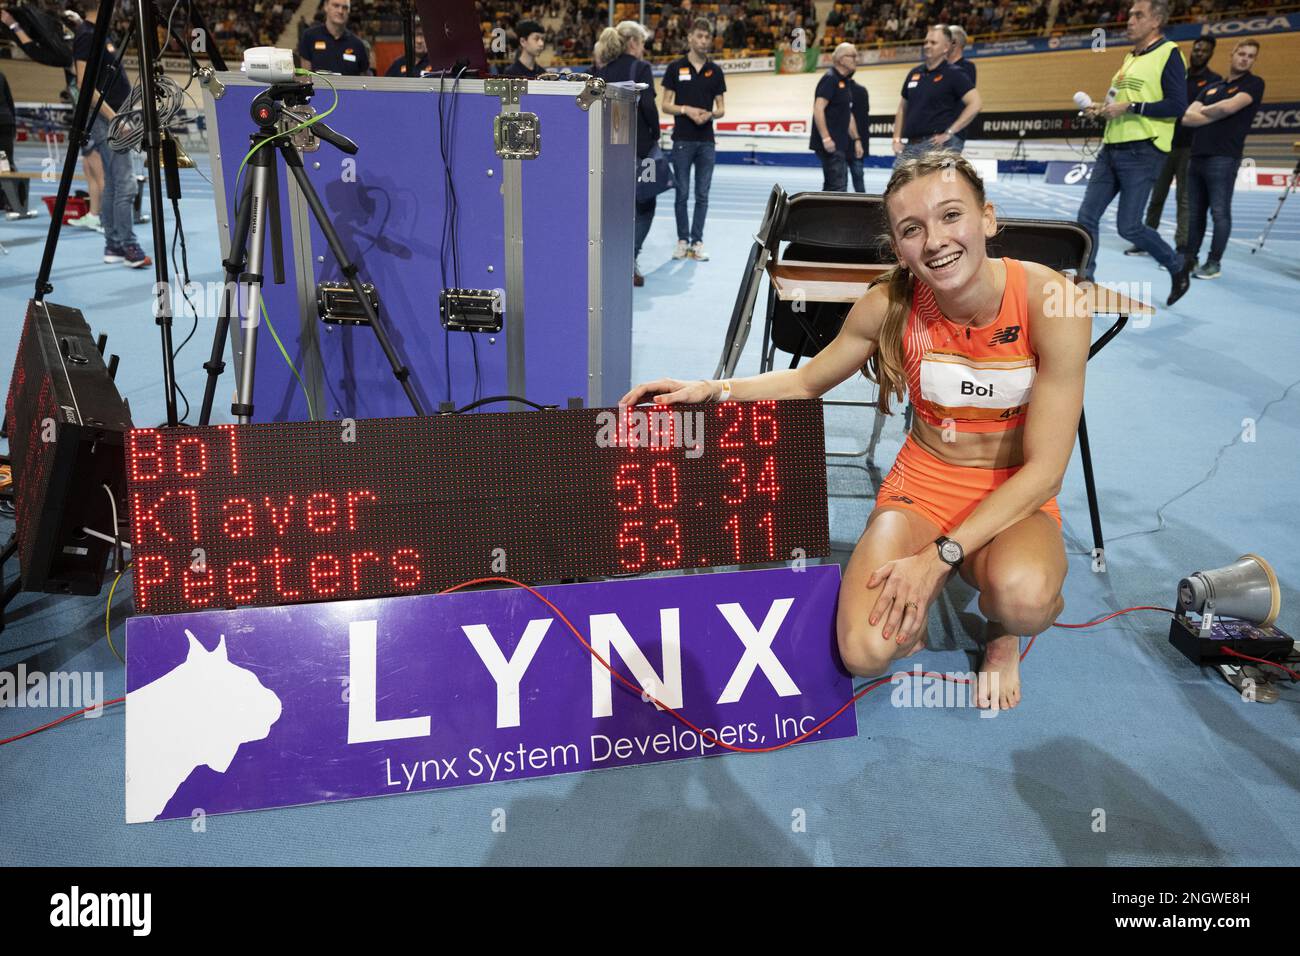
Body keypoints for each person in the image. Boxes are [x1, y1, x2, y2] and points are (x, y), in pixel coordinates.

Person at [621, 151, 1090, 710]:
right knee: (863, 653)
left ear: (987, 218)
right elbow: (803, 383)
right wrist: (711, 388)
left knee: (1024, 599)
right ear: (898, 248)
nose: (935, 240)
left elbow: (1046, 473)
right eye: (912, 229)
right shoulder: (889, 305)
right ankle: (933, 580)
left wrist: (934, 559)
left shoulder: (1053, 303)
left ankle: (1001, 634)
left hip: (1015, 491)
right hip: (925, 488)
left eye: (951, 216)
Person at [1076, 0, 1190, 305]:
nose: (1129, 21)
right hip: (1112, 147)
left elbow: (1178, 105)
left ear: (1156, 21)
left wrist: (1130, 107)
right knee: (1086, 217)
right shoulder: (1129, 58)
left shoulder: (1170, 54)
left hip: (1143, 151)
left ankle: (1177, 265)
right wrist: (1100, 111)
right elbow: (1118, 102)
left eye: (1137, 15)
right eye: (1129, 15)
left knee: (1129, 226)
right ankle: (1085, 280)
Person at [1125, 36, 1218, 260]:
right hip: (1165, 143)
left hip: (1190, 147)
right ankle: (1145, 240)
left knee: (1183, 199)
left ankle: (1181, 245)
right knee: (1156, 195)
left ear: (1210, 54)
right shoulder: (1179, 74)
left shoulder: (1214, 82)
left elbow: (1207, 115)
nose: (1199, 53)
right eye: (1196, 49)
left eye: (1204, 51)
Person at [71, 0, 149, 267]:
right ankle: (129, 246)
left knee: (115, 184)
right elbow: (83, 84)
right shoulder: (86, 35)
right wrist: (114, 118)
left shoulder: (100, 34)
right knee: (125, 184)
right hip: (107, 120)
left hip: (114, 117)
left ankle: (114, 245)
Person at [1179, 39, 1265, 281]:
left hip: (1224, 158)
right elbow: (1186, 117)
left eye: (1251, 56)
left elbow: (1230, 107)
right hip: (1197, 156)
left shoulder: (1254, 84)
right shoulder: (1211, 88)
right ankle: (1189, 258)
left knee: (1219, 213)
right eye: (1242, 54)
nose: (1245, 59)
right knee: (1195, 214)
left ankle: (1213, 263)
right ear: (1232, 54)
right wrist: (1216, 112)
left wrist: (1207, 111)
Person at [593, 21, 659, 287]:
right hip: (640, 150)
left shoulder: (604, 70)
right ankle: (629, 258)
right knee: (645, 205)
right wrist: (655, 133)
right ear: (632, 42)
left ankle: (611, 259)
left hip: (610, 152)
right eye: (642, 43)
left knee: (615, 207)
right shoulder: (641, 68)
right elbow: (650, 107)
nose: (643, 49)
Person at [661, 18, 726, 262]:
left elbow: (722, 109)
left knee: (702, 194)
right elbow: (665, 105)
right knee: (682, 193)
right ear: (690, 38)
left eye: (707, 37)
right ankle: (682, 240)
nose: (704, 41)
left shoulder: (716, 71)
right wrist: (686, 110)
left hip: (707, 140)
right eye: (699, 36)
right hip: (682, 140)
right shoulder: (675, 68)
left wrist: (710, 114)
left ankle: (697, 242)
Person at [891, 25, 980, 161]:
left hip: (939, 146)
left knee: (943, 182)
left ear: (946, 47)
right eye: (926, 42)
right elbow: (902, 107)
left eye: (933, 42)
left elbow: (976, 103)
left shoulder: (955, 73)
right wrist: (896, 139)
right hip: (910, 146)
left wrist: (950, 132)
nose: (927, 46)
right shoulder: (914, 73)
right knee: (898, 182)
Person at [809, 42, 862, 192]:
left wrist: (857, 140)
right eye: (852, 55)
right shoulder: (830, 79)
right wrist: (826, 138)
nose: (856, 59)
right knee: (838, 188)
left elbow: (848, 113)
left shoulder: (844, 82)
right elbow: (818, 108)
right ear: (841, 59)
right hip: (831, 145)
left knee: (833, 187)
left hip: (839, 144)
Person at [298, 0, 371, 76]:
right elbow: (305, 76)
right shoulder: (309, 36)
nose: (340, 11)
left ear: (349, 11)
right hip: (317, 87)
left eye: (345, 7)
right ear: (326, 6)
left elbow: (364, 80)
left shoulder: (358, 44)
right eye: (336, 6)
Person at [849, 69, 871, 193]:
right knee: (858, 179)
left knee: (837, 183)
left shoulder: (837, 89)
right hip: (858, 142)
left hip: (847, 142)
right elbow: (864, 118)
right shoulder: (862, 91)